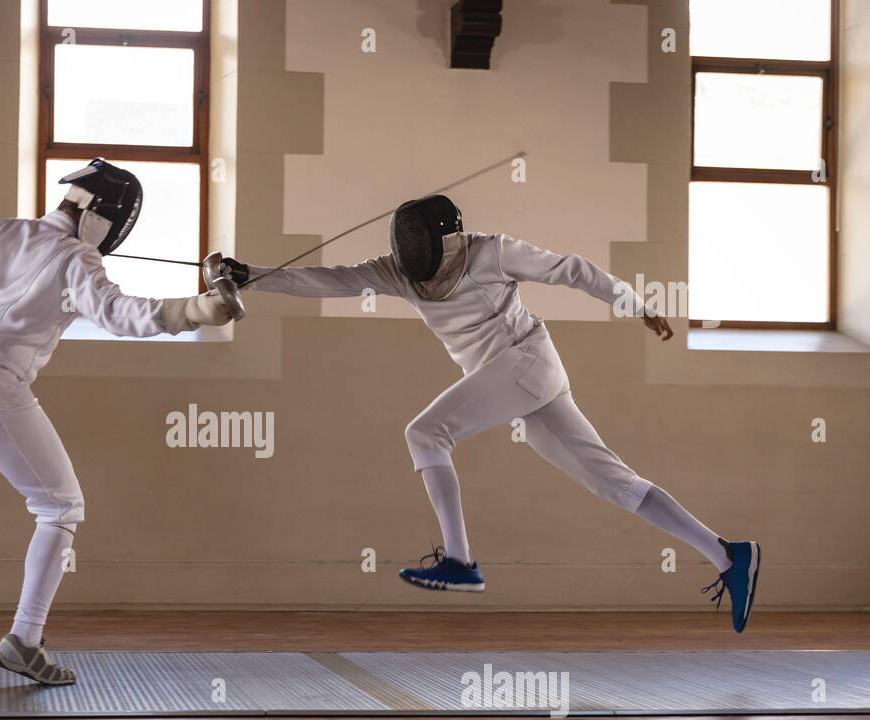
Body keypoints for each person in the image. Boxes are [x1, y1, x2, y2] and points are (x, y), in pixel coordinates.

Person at [224, 195, 760, 632]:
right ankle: (727, 555)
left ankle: (460, 561)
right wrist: (251, 274)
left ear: (450, 241)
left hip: (524, 364)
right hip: (520, 381)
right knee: (615, 484)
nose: (423, 270)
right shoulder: (401, 272)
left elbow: (571, 269)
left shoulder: (493, 252)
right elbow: (332, 279)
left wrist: (634, 302)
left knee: (425, 433)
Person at [0, 159, 234, 684]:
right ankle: (24, 640)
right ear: (106, 218)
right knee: (60, 507)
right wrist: (190, 312)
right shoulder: (77, 260)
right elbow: (117, 314)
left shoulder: (0, 232)